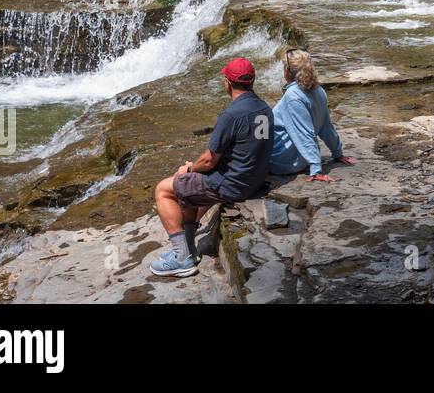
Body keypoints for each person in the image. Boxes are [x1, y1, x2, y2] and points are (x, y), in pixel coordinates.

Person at [150, 57, 273, 278]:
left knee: (164, 189)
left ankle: (181, 258)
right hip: (254, 179)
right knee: (186, 185)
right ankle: (189, 248)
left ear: (227, 83)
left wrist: (188, 169)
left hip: (232, 185)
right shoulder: (265, 109)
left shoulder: (231, 115)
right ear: (252, 81)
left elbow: (209, 161)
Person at [270, 49, 354, 182]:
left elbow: (305, 133)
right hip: (300, 160)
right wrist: (338, 153)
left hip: (282, 163)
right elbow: (327, 127)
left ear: (286, 72)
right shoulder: (319, 90)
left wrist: (316, 169)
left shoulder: (292, 97)